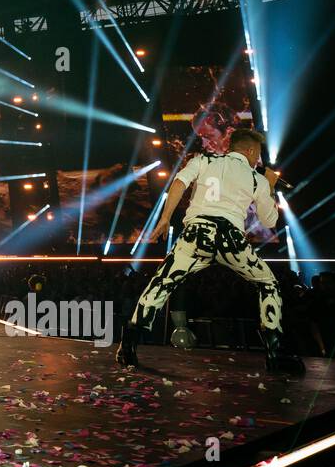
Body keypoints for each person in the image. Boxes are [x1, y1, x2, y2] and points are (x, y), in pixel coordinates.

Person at [117, 128, 304, 373]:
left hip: (197, 234)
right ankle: (274, 351)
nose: (257, 160)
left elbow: (180, 182)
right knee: (267, 283)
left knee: (162, 282)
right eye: (257, 154)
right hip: (231, 239)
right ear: (249, 150)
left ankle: (128, 345)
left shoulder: (203, 160)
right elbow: (269, 221)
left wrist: (165, 217)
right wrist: (269, 185)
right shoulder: (255, 177)